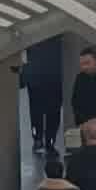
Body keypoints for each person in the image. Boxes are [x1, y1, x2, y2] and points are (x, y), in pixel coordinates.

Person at [19, 39, 68, 168]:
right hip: (53, 76)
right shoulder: (57, 36)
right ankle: (49, 142)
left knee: (36, 111)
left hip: (37, 76)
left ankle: (38, 139)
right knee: (53, 112)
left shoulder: (35, 33)